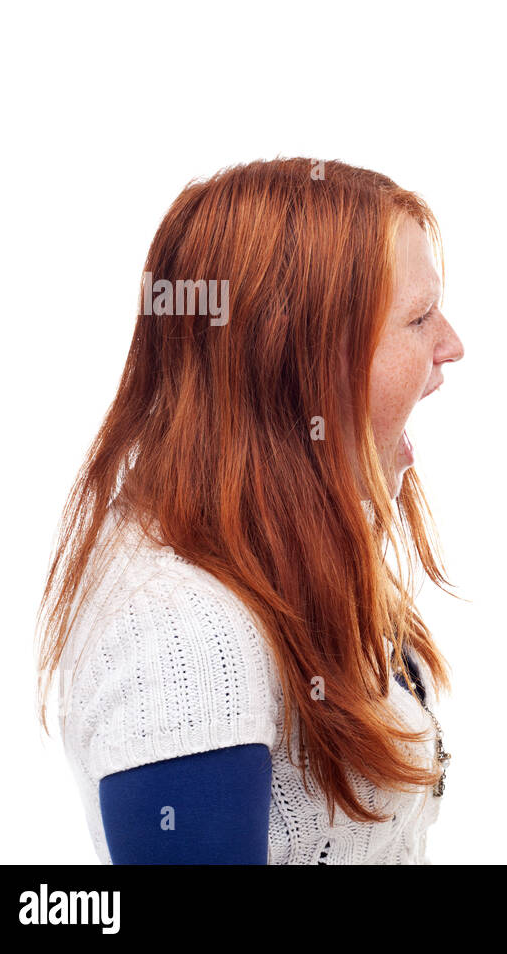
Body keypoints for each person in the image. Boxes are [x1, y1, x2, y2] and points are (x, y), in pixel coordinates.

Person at [36, 158, 464, 863]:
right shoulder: (180, 636)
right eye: (418, 317)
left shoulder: (264, 545)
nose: (451, 344)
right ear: (288, 358)